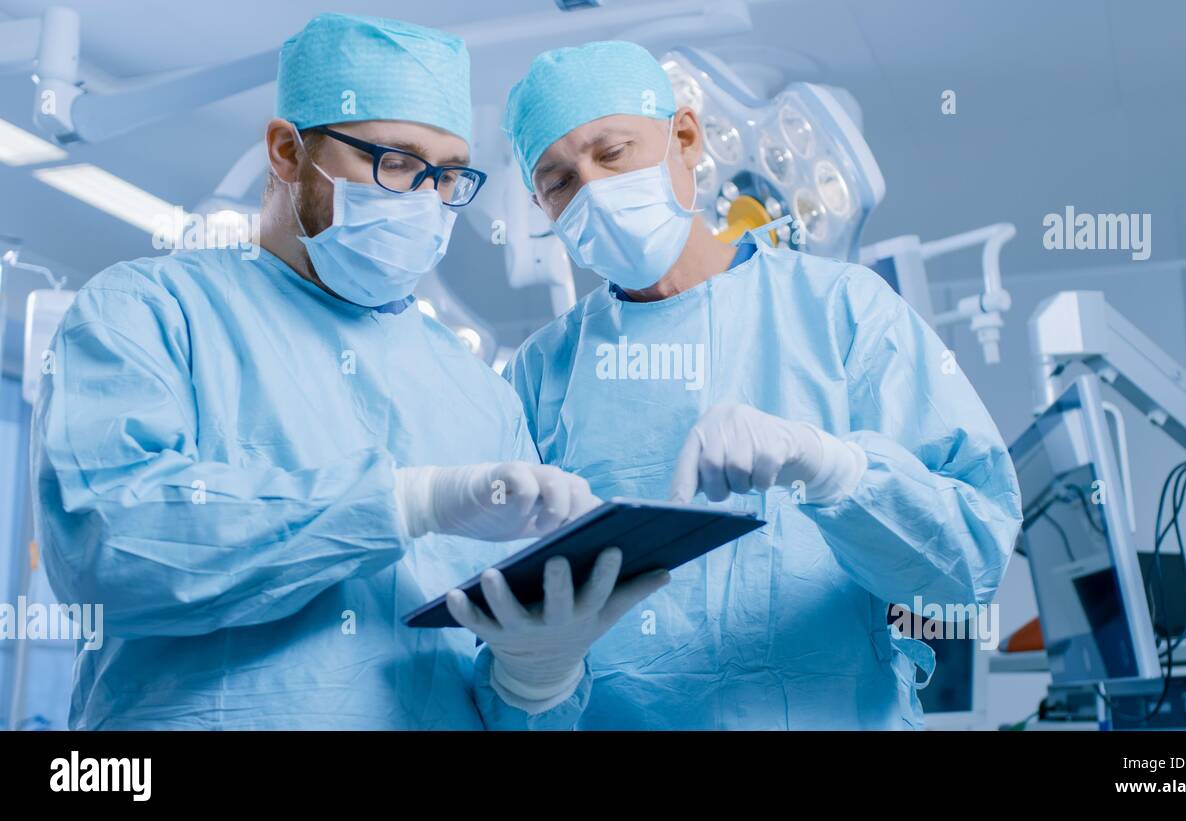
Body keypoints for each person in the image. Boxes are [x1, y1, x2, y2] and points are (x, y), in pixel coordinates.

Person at [29, 15, 665, 730]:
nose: (426, 199)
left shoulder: (481, 395)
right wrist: (404, 503)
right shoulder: (149, 313)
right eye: (396, 163)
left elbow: (498, 699)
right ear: (285, 152)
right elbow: (109, 546)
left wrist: (535, 676)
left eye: (448, 174)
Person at [501, 40, 1023, 729]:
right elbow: (506, 609)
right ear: (540, 206)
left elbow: (971, 566)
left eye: (613, 152)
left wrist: (836, 470)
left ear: (685, 137)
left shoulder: (843, 310)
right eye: (560, 180)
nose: (593, 189)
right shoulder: (541, 374)